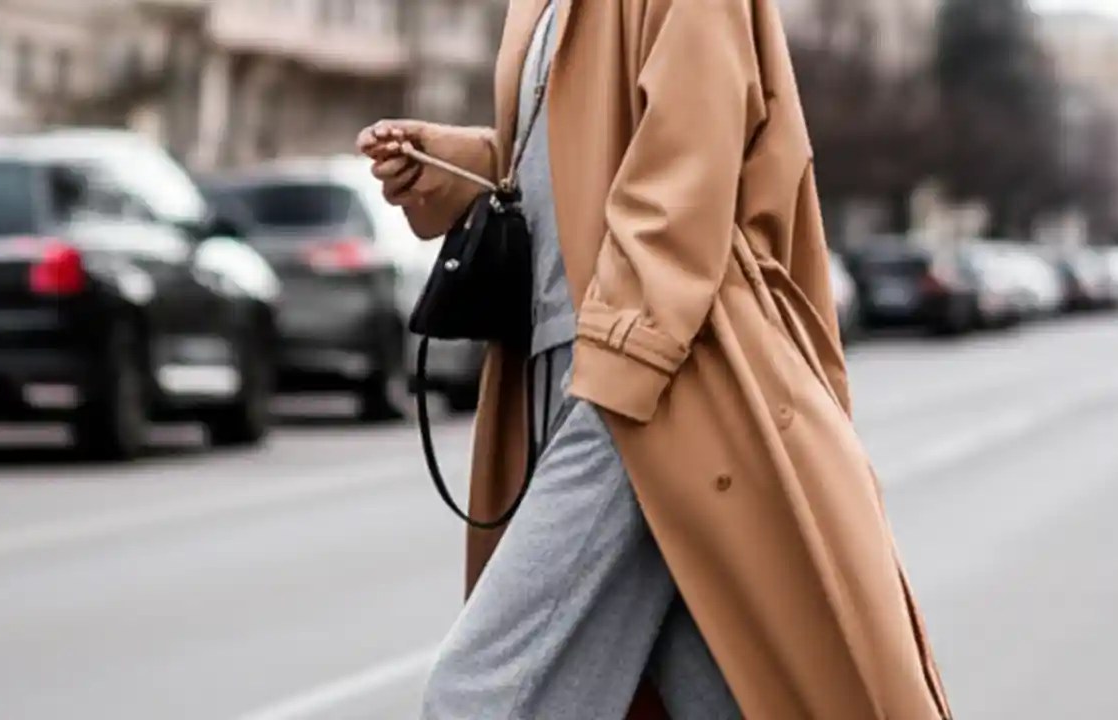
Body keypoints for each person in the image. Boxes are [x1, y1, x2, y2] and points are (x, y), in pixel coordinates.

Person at [358, 1, 953, 718]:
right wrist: (465, 166)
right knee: (718, 697)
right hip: (565, 373)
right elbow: (584, 151)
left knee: (481, 697)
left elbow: (687, 171)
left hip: (648, 393)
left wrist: (618, 380)